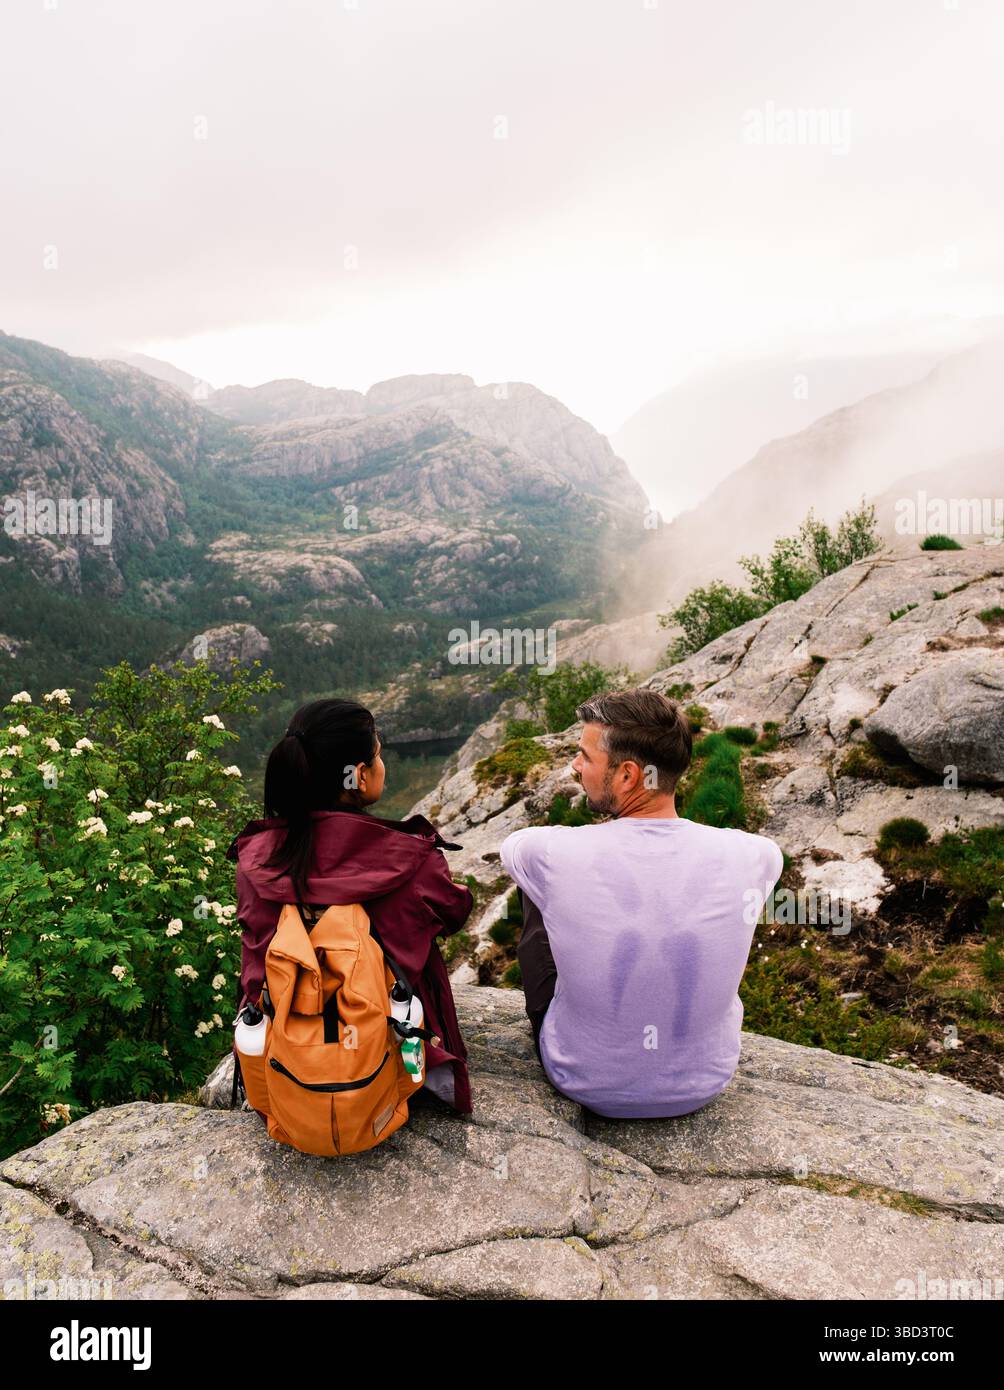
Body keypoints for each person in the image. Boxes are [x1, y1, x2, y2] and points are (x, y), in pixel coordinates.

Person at [500, 688, 784, 1120]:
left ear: (628, 775)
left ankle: (594, 1032)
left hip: (581, 1079)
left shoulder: (549, 851)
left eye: (585, 757)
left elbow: (512, 849)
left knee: (538, 893)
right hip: (705, 1083)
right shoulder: (758, 854)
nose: (575, 767)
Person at [226, 697, 475, 1115]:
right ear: (358, 776)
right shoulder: (411, 860)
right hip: (386, 1056)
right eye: (378, 755)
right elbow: (455, 911)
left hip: (283, 1063)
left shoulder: (254, 862)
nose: (383, 765)